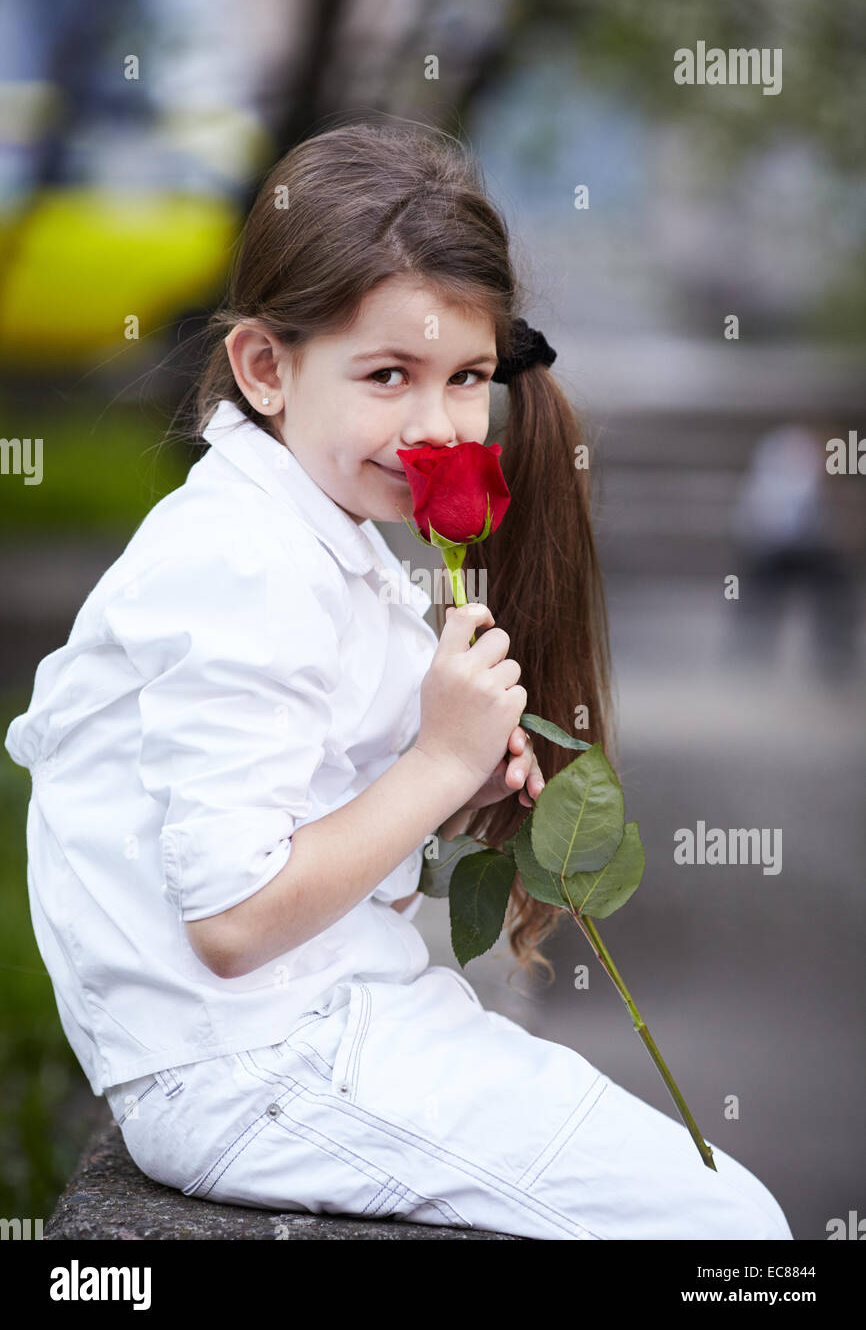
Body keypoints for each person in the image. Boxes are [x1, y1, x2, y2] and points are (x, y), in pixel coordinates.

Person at [4, 119, 793, 1240]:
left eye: (466, 377)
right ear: (266, 368)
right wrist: (433, 763)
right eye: (387, 375)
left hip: (331, 1028)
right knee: (729, 1231)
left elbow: (335, 846)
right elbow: (229, 921)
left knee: (718, 1207)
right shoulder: (237, 563)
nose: (434, 425)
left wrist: (458, 783)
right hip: (249, 1070)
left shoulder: (328, 542)